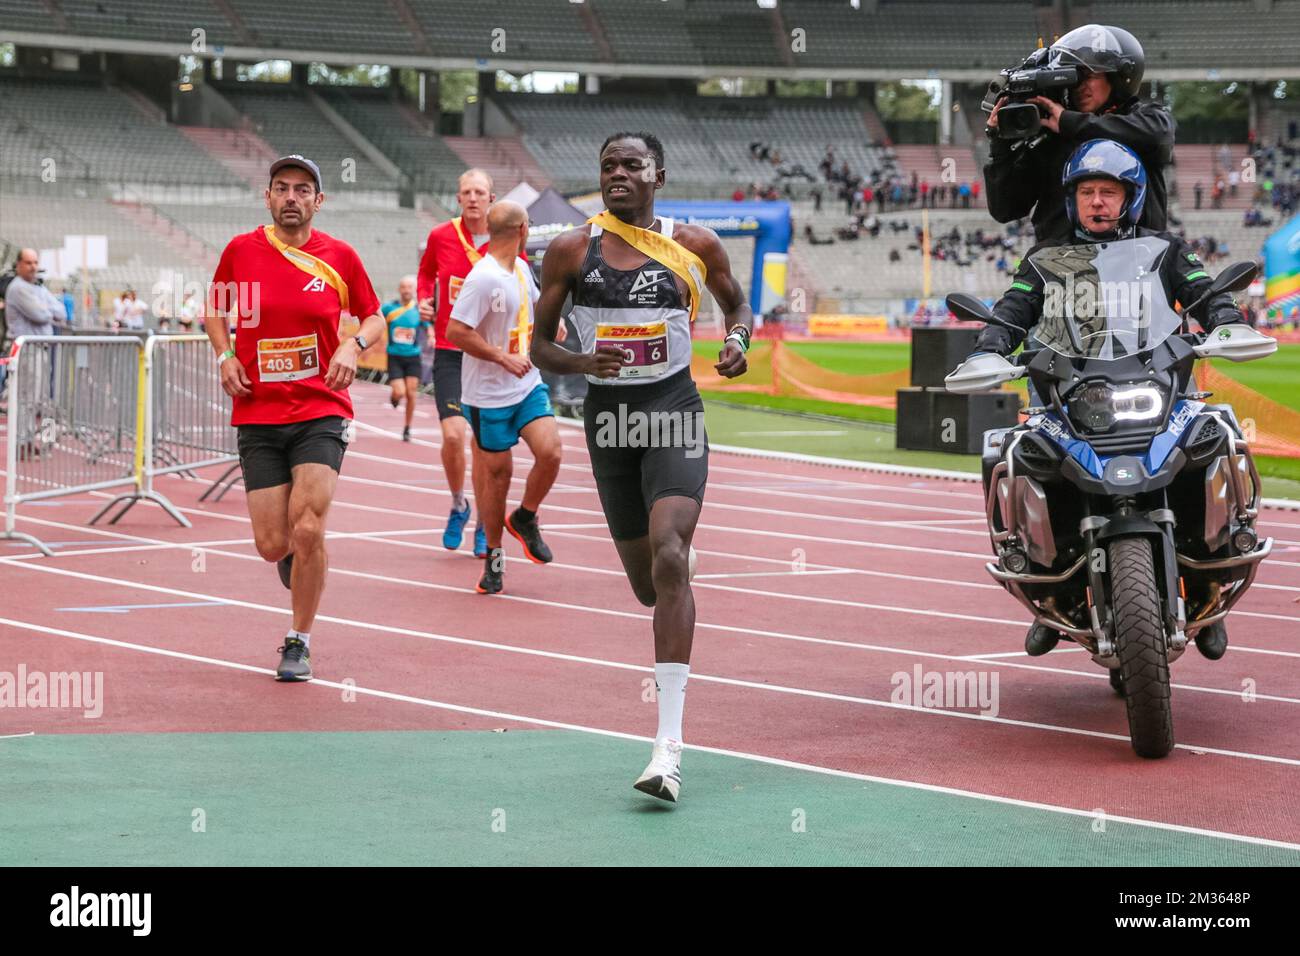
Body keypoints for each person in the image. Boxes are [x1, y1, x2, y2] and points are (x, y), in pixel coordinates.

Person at [531, 131, 751, 804]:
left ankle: (668, 747)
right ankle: (670, 592)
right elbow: (539, 345)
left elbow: (735, 303)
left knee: (670, 553)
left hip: (673, 410)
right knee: (646, 585)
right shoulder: (572, 248)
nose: (617, 174)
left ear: (659, 171)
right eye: (607, 166)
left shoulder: (697, 244)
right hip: (610, 422)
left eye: (631, 165)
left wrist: (737, 340)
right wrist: (578, 363)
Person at [967, 140, 1243, 663]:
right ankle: (1047, 592)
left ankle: (1217, 585)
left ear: (1130, 198)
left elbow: (1206, 292)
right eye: (1087, 191)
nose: (1097, 201)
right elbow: (1014, 307)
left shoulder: (1167, 251)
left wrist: (1227, 321)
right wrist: (989, 349)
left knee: (1220, 431)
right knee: (1011, 451)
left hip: (1159, 388)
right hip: (1068, 396)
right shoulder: (1046, 260)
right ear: (1072, 200)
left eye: (1108, 192)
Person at [206, 155, 384, 682]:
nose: (291, 197)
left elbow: (374, 315)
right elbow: (215, 309)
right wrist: (225, 356)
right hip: (258, 411)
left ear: (317, 201)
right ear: (267, 197)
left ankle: (298, 640)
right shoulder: (241, 251)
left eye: (302, 189)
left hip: (320, 408)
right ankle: (294, 557)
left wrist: (353, 346)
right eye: (281, 188)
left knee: (308, 527)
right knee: (272, 543)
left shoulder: (340, 256)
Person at [446, 202, 563, 595]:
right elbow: (456, 331)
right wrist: (500, 356)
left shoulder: (521, 268)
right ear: (524, 230)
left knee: (551, 452)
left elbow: (530, 309)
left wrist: (550, 327)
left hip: (527, 384)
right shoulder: (482, 278)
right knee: (497, 478)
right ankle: (495, 556)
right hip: (487, 395)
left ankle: (526, 517)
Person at [984, 24, 1174, 242]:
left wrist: (1068, 122)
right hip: (1060, 270)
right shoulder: (1050, 135)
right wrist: (1001, 147)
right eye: (1074, 77)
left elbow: (1159, 134)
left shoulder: (1145, 118)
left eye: (1089, 75)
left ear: (1118, 77)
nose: (1079, 86)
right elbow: (1005, 210)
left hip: (1135, 266)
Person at [417, 169, 495, 556]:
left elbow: (524, 279)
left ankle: (484, 522)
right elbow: (426, 272)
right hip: (449, 350)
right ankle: (458, 504)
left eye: (480, 192)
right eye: (466, 192)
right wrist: (422, 299)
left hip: (487, 353)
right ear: (458, 197)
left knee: (483, 445)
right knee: (452, 436)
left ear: (491, 199)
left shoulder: (505, 236)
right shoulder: (441, 235)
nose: (473, 198)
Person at [383, 274, 423, 442]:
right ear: (399, 290)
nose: (406, 290)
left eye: (409, 287)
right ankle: (394, 397)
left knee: (412, 393)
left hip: (413, 356)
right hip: (395, 356)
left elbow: (428, 326)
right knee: (400, 392)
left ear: (414, 290)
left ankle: (407, 427)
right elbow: (375, 320)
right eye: (404, 287)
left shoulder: (419, 310)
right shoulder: (388, 309)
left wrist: (432, 334)